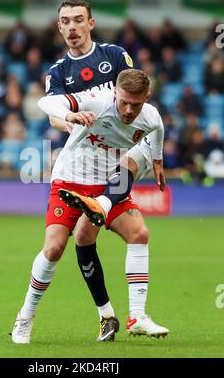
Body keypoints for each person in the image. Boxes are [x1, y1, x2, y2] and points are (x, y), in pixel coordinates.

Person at [11, 68, 169, 344]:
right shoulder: (97, 100)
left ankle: (137, 317)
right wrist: (69, 114)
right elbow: (45, 102)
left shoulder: (151, 116)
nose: (129, 110)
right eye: (123, 102)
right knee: (53, 249)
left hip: (106, 182)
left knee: (139, 234)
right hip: (70, 180)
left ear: (147, 97)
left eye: (136, 103)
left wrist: (157, 160)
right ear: (115, 93)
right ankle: (26, 314)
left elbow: (158, 130)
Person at [41, 0, 166, 342]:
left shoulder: (113, 56)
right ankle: (108, 314)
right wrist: (65, 120)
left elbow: (134, 91)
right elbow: (53, 110)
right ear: (59, 27)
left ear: (90, 23)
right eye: (65, 21)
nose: (72, 27)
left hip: (124, 142)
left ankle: (135, 316)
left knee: (135, 228)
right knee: (83, 237)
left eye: (78, 20)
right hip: (85, 153)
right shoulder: (58, 72)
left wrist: (156, 157)